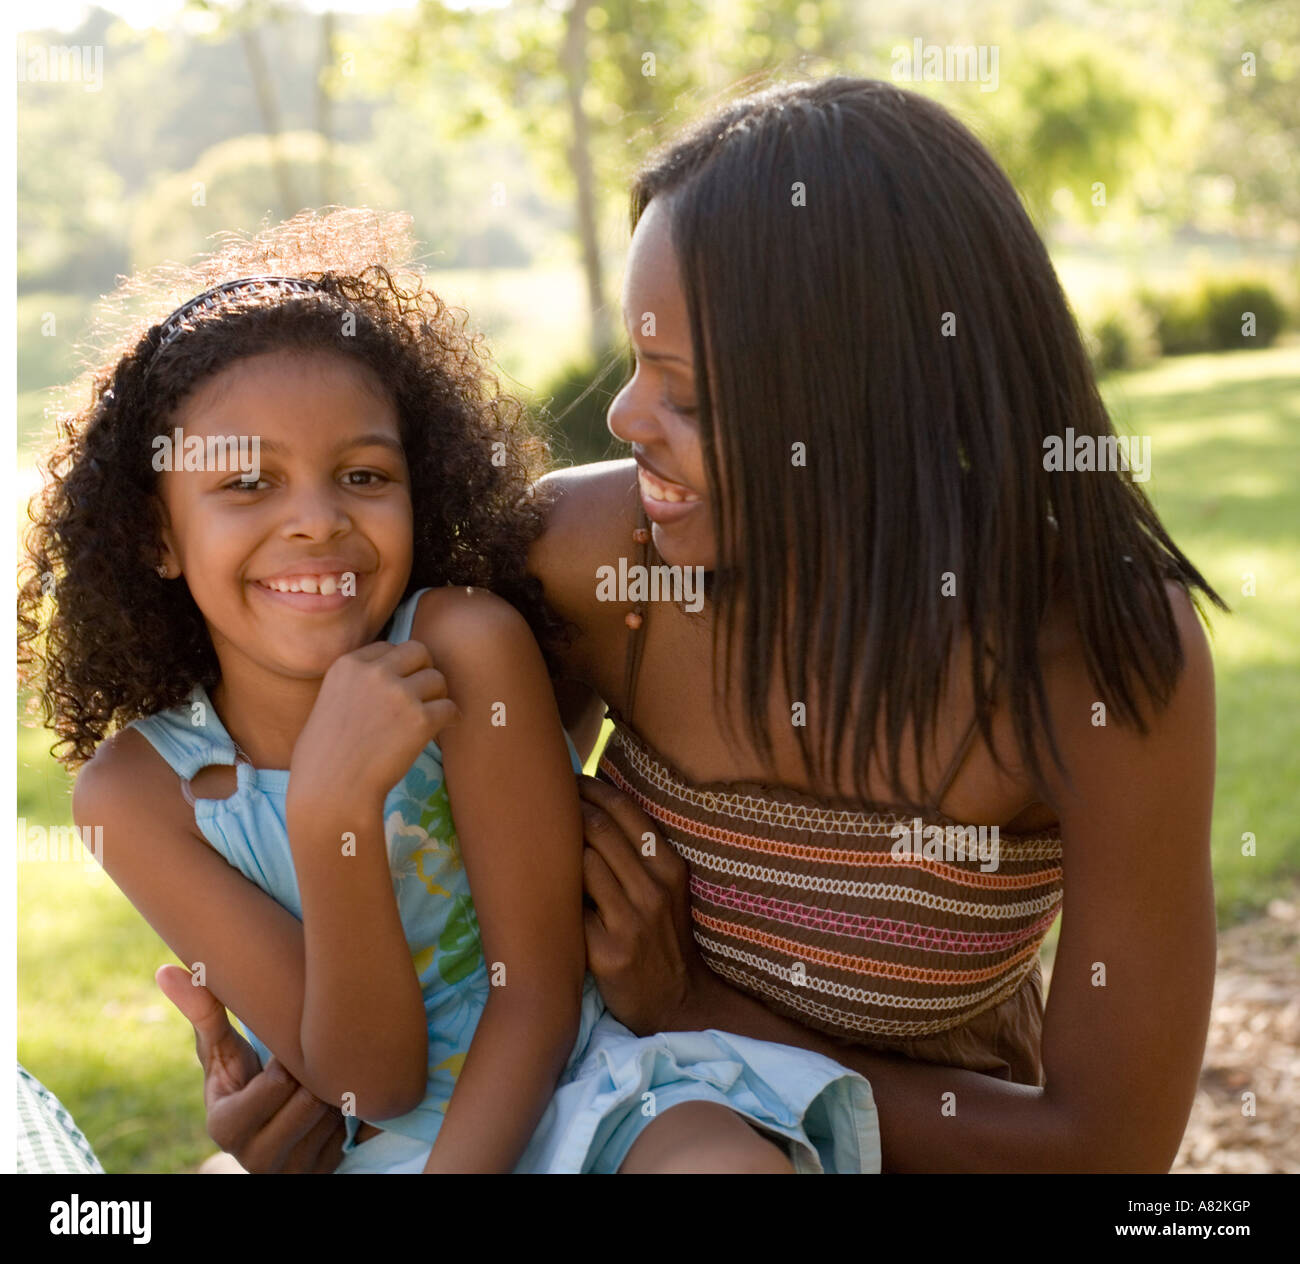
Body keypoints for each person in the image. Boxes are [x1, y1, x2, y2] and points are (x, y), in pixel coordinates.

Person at [181, 77, 1219, 1173]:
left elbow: (1106, 1149)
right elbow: (412, 882)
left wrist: (691, 1006)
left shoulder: (1093, 659)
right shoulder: (596, 562)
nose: (624, 419)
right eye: (635, 365)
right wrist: (301, 1089)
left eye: (687, 396)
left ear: (867, 404)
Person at [17, 209, 878, 1173]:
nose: (316, 522)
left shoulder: (464, 650)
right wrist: (330, 811)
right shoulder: (132, 799)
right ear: (156, 535)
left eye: (361, 474)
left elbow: (539, 1000)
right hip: (384, 1148)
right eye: (248, 485)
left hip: (590, 1094)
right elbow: (370, 1083)